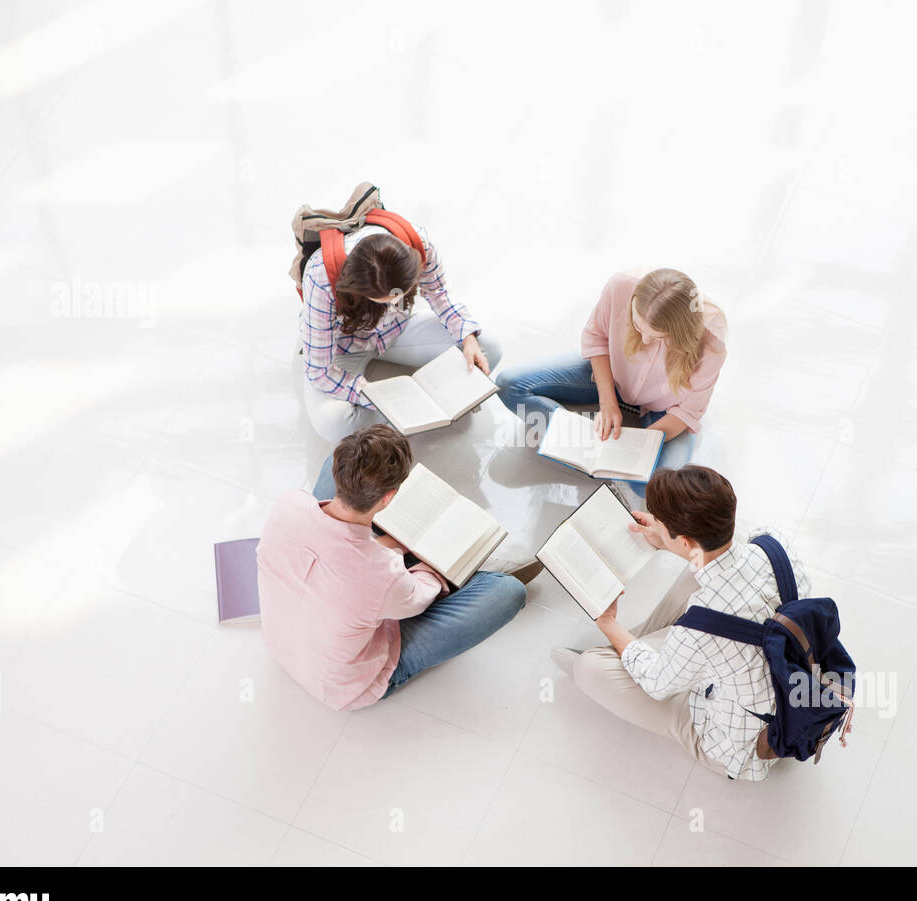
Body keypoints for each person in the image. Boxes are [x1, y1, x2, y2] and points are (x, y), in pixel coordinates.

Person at [549, 465, 807, 781]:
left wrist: (609, 623)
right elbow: (712, 561)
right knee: (706, 569)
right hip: (790, 688)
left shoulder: (700, 628)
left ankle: (610, 652)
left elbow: (659, 684)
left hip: (742, 747)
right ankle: (630, 646)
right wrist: (664, 538)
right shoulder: (773, 543)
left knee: (591, 668)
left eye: (660, 523)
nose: (654, 524)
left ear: (684, 541)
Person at [257, 425, 537, 710]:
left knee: (340, 517)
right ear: (389, 497)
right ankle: (472, 572)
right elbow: (420, 595)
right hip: (347, 686)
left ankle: (390, 541)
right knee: (508, 591)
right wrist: (414, 554)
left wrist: (386, 548)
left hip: (281, 643)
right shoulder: (381, 574)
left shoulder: (288, 504)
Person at [495, 269, 726, 488]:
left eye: (657, 337)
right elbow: (596, 337)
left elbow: (686, 413)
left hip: (664, 410)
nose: (644, 340)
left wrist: (635, 445)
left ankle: (600, 455)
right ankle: (579, 444)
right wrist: (607, 401)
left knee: (657, 485)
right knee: (509, 384)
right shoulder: (621, 286)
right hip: (609, 374)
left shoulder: (712, 343)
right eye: (637, 324)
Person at [300, 220, 502, 445]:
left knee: (488, 348)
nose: (396, 301)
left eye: (399, 294)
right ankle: (422, 406)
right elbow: (319, 371)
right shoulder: (320, 278)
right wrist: (370, 393)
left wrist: (468, 339)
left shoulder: (417, 243)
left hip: (398, 330)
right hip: (344, 346)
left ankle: (429, 404)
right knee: (335, 423)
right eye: (384, 300)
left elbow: (439, 294)